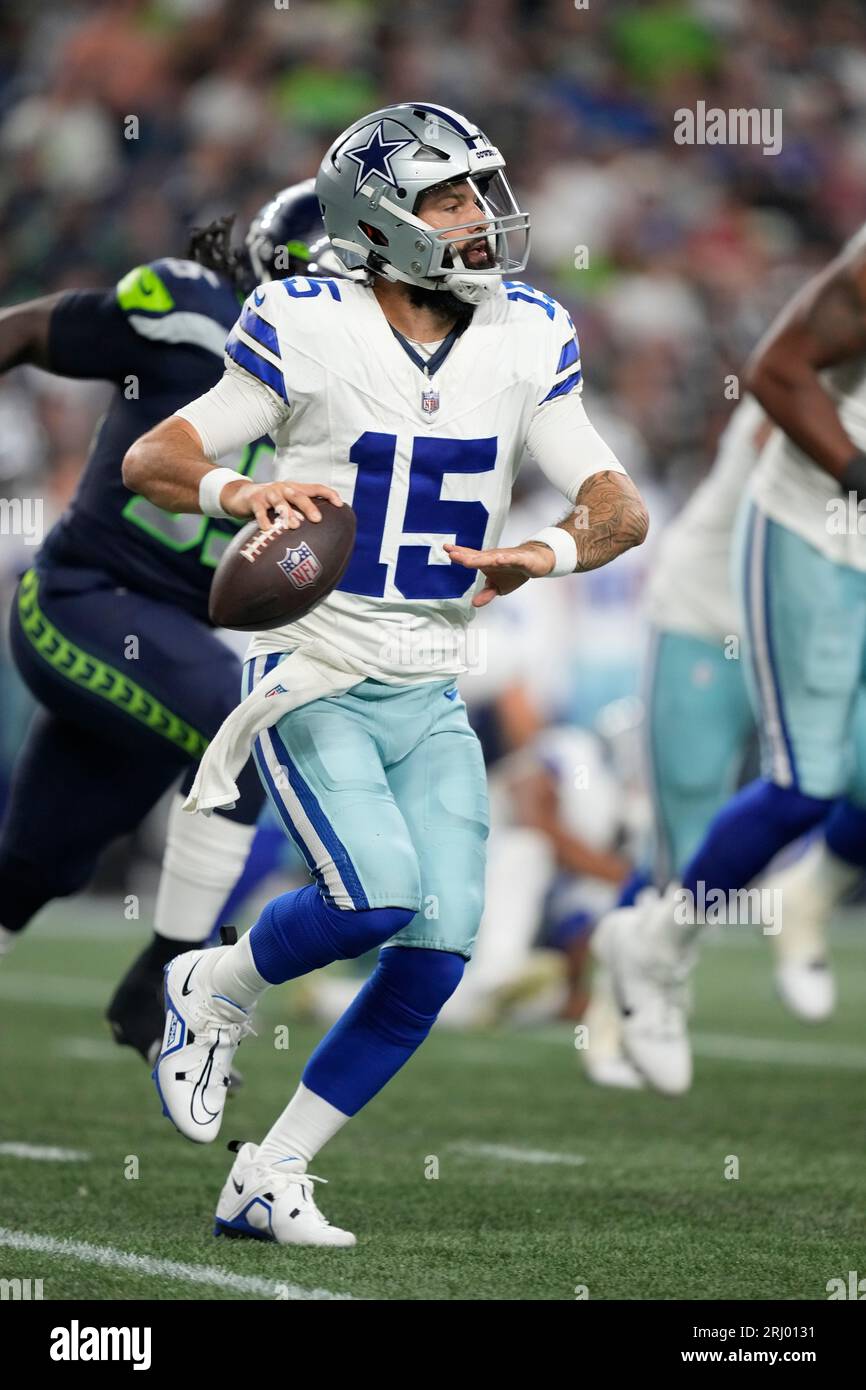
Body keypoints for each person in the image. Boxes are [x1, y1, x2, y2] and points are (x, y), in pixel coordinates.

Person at [125, 102, 649, 1246]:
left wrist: (541, 549)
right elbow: (154, 455)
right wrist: (240, 491)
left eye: (482, 191)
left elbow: (619, 509)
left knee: (437, 952)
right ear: (380, 218)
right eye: (451, 197)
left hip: (428, 676)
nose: (482, 218)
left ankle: (270, 1172)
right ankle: (214, 983)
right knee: (373, 894)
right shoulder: (304, 320)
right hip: (315, 660)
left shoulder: (524, 331)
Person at [0, 182, 335, 1064]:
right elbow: (32, 329)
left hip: (166, 644)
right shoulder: (188, 317)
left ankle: (157, 978)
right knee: (245, 727)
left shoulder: (361, 393)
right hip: (79, 600)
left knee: (29, 873)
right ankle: (172, 983)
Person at [597, 227, 866, 1095]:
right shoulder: (804, 378)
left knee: (843, 782)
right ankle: (632, 987)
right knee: (715, 817)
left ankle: (808, 903)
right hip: (730, 599)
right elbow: (780, 385)